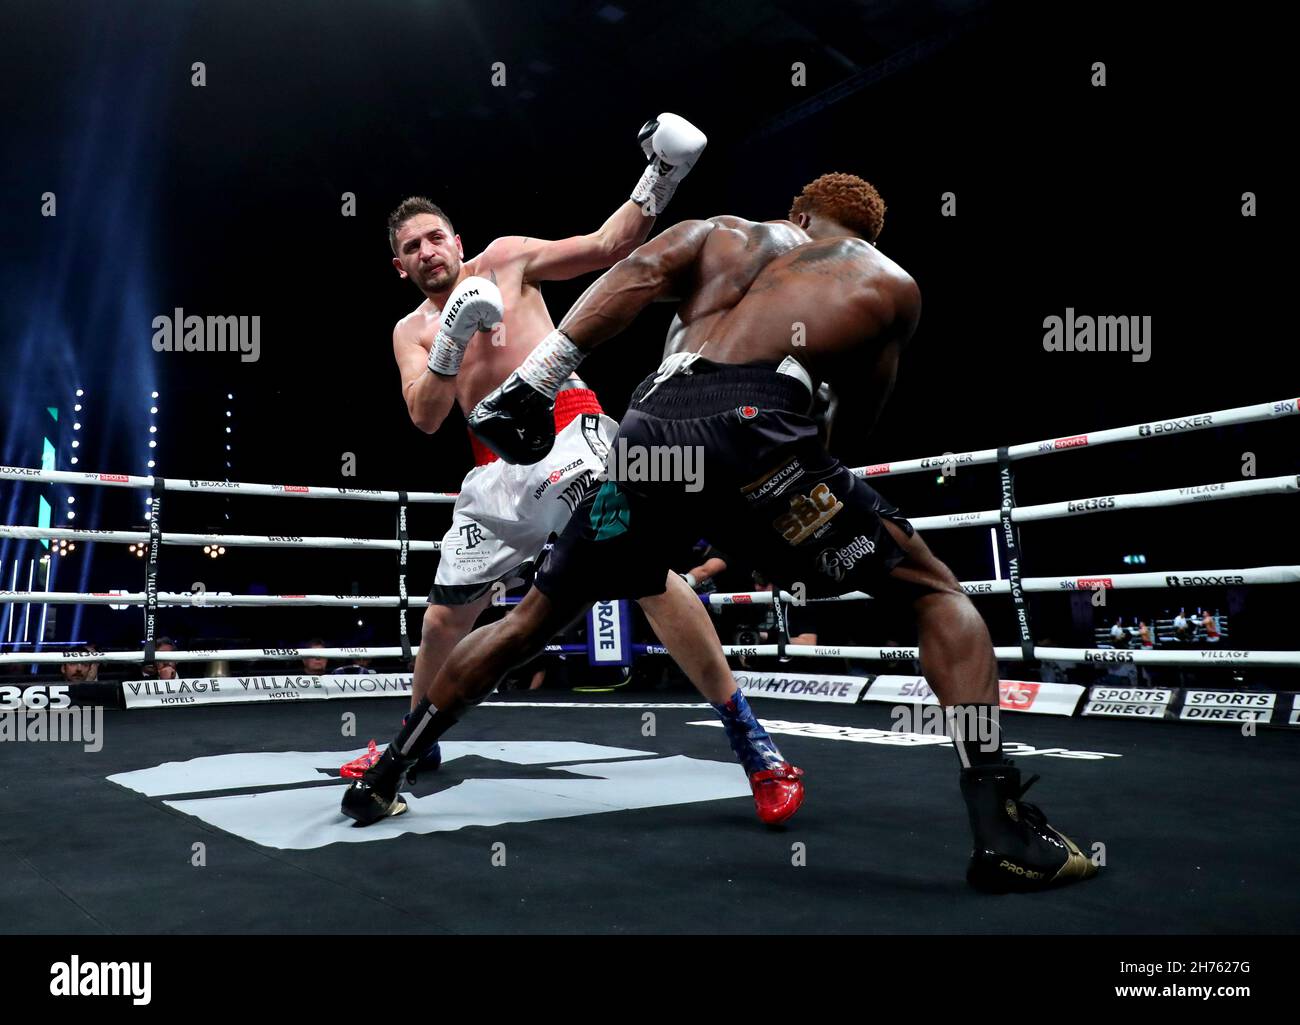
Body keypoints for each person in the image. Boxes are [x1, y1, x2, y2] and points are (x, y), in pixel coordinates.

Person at [351, 172, 1099, 893]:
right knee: (934, 592)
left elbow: (633, 272)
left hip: (652, 435)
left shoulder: (723, 235)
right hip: (763, 436)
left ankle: (391, 774)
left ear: (800, 214)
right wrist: (784, 508)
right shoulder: (890, 284)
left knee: (533, 616)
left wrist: (537, 379)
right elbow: (848, 432)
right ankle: (1000, 830)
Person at [342, 114, 804, 825]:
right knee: (442, 620)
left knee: (644, 572)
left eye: (436, 237)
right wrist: (453, 338)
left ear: (458, 241)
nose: (429, 251)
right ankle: (415, 747)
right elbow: (427, 415)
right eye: (412, 248)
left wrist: (664, 173)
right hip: (491, 472)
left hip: (570, 435)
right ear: (399, 267)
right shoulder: (409, 331)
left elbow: (607, 246)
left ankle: (751, 739)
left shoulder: (505, 259)